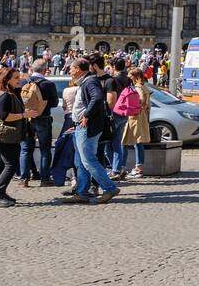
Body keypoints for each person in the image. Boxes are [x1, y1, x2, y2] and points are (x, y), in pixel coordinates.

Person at [65, 58, 119, 205]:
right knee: (81, 162)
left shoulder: (90, 81)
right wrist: (76, 122)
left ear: (78, 69)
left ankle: (110, 188)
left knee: (88, 160)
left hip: (87, 128)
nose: (69, 71)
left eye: (71, 68)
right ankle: (82, 192)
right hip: (79, 126)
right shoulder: (86, 82)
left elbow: (97, 98)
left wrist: (86, 116)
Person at [0, 68, 28, 208]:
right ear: (7, 79)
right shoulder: (5, 95)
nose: (19, 79)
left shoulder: (9, 92)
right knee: (10, 165)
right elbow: (4, 116)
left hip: (3, 135)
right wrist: (24, 115)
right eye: (16, 77)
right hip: (5, 135)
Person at [19, 58, 59, 187]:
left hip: (26, 117)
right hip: (43, 118)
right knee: (45, 149)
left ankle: (24, 178)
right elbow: (54, 103)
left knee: (25, 148)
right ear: (44, 69)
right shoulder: (48, 84)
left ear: (32, 68)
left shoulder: (23, 82)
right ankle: (45, 178)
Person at [123, 69, 152, 180]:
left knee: (133, 142)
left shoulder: (138, 88)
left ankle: (136, 168)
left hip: (135, 117)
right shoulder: (144, 86)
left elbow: (140, 100)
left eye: (130, 75)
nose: (128, 77)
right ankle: (137, 167)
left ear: (135, 76)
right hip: (140, 116)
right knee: (136, 142)